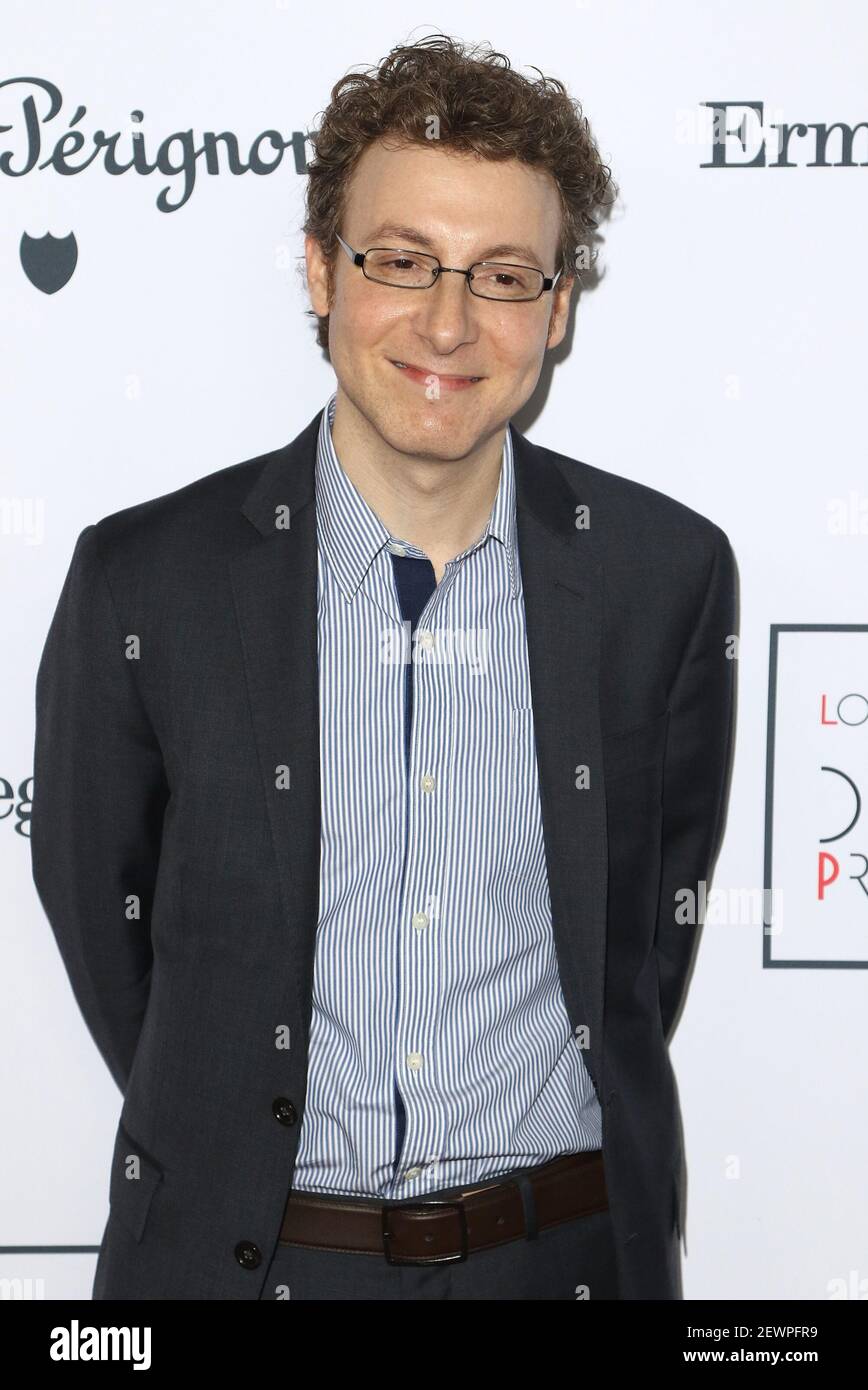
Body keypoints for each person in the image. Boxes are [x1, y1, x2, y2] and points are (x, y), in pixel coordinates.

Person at [30, 33, 736, 1301]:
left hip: (565, 1265)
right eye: (402, 261)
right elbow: (110, 923)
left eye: (504, 274)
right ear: (319, 270)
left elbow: (641, 947)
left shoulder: (662, 579)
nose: (449, 322)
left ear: (558, 307)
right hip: (241, 1268)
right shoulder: (148, 582)